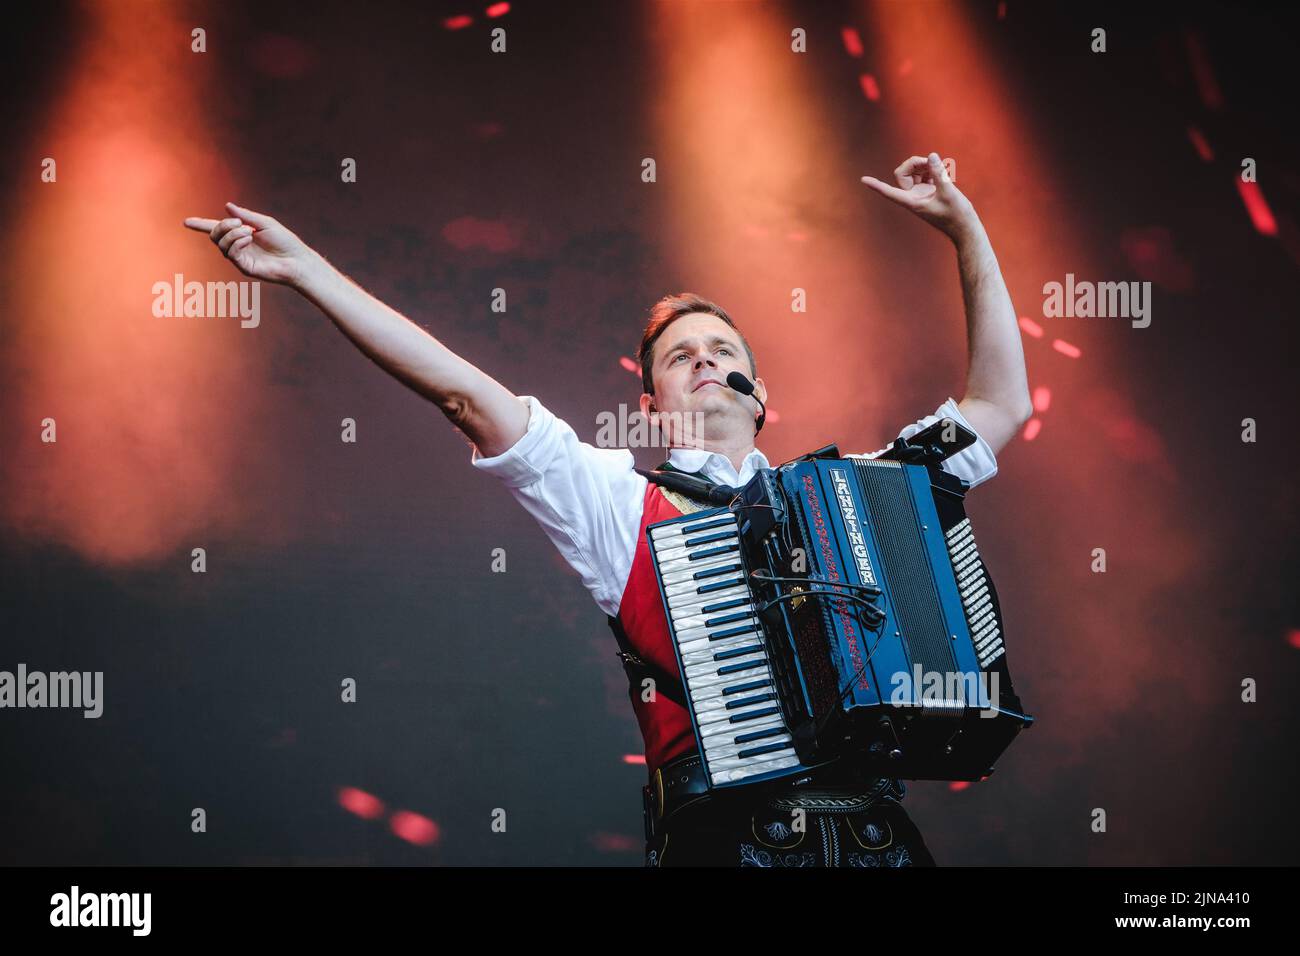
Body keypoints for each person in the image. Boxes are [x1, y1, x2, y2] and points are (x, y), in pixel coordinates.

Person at [184, 151, 1032, 866]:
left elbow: (999, 406)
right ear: (655, 403)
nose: (703, 362)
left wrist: (967, 232)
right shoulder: (617, 502)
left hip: (882, 841)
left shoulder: (865, 490)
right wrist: (307, 273)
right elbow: (462, 395)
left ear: (759, 390)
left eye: (722, 350)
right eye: (678, 358)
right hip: (728, 844)